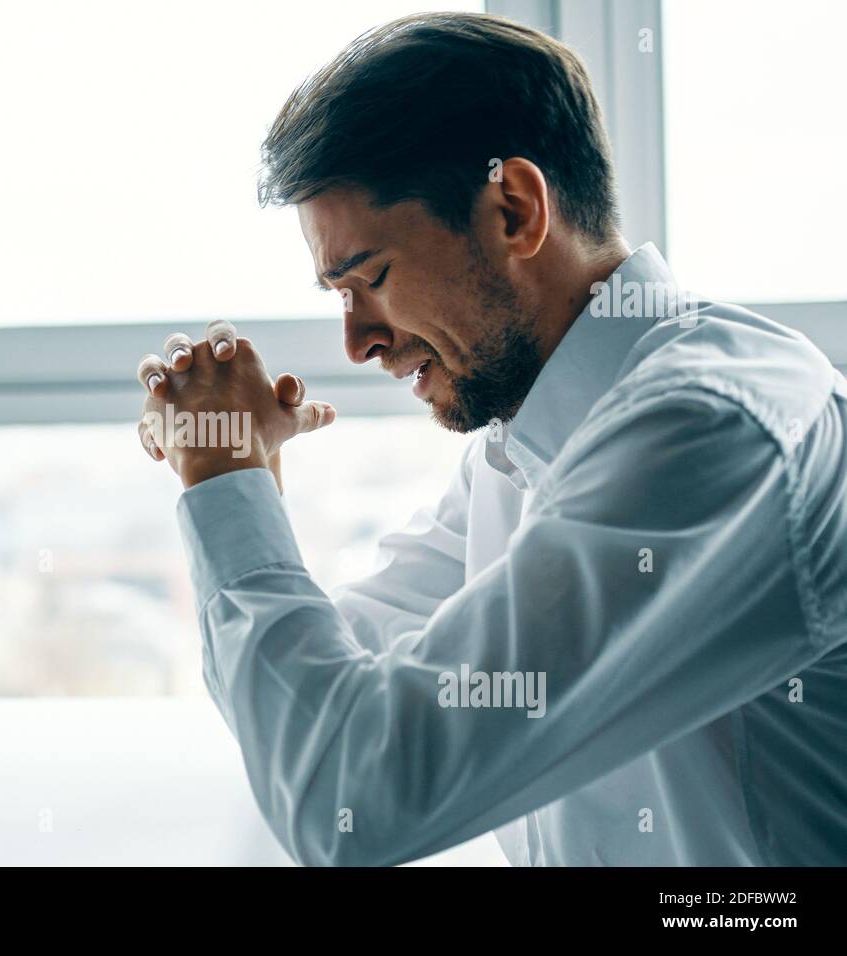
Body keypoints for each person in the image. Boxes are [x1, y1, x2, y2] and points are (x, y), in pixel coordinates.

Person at [134, 12, 847, 866]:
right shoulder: (515, 457)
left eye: (372, 280)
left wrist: (223, 476)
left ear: (514, 209)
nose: (357, 342)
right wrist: (246, 480)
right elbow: (320, 694)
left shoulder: (711, 430)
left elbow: (350, 799)